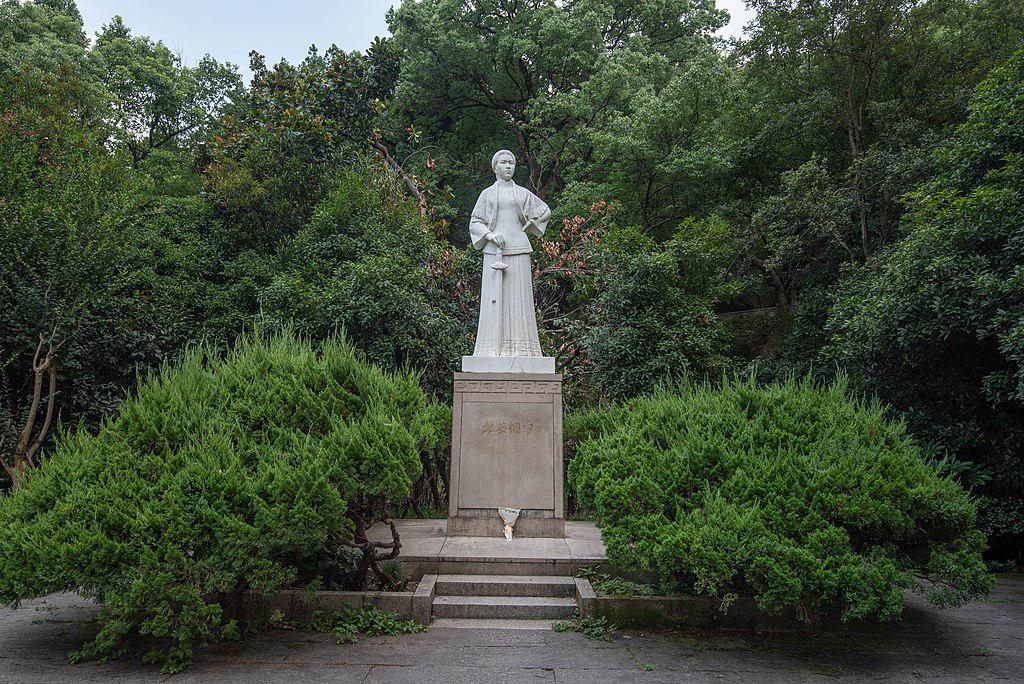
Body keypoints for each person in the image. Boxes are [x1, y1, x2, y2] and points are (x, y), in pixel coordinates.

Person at [468, 150, 551, 357]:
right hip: (494, 252)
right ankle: (489, 349)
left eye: (512, 163)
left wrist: (532, 222)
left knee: (520, 300)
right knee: (493, 301)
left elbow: (545, 210)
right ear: (495, 167)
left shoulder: (522, 193)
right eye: (504, 162)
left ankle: (524, 350)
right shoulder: (487, 194)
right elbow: (475, 222)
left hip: (519, 249)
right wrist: (489, 235)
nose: (508, 166)